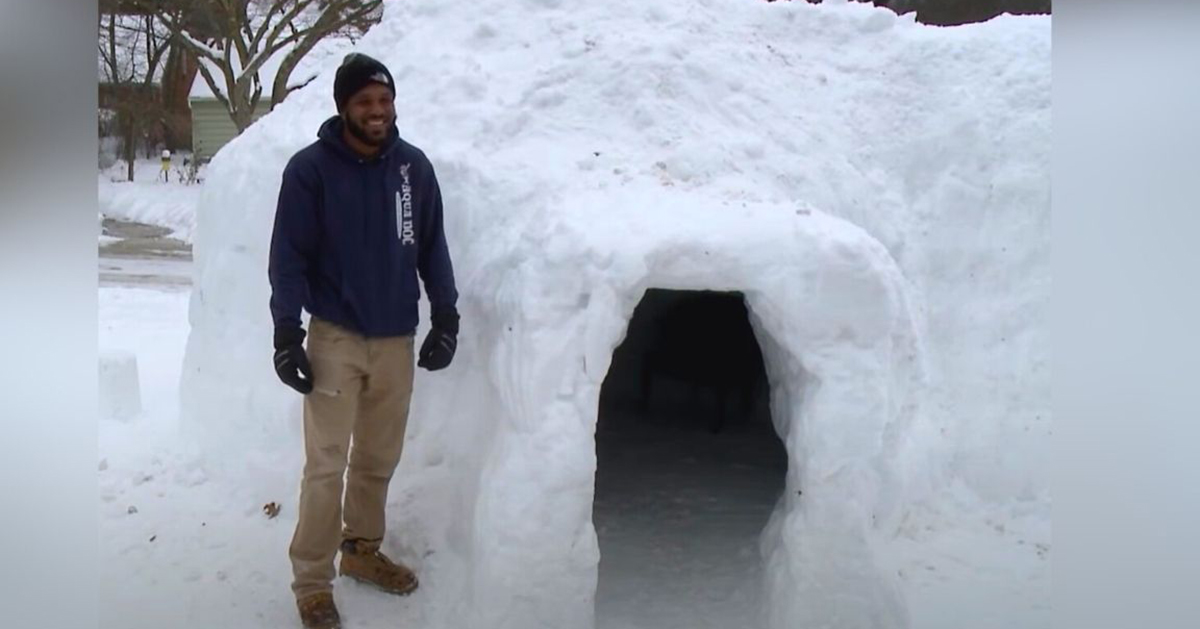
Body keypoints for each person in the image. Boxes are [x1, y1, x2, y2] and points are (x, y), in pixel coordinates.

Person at [268, 52, 460, 629]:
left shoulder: (413, 170)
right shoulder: (310, 171)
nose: (377, 111)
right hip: (335, 338)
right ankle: (311, 583)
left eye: (384, 99)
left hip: (396, 340)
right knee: (326, 465)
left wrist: (446, 319)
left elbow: (433, 248)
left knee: (377, 459)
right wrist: (285, 332)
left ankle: (362, 552)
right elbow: (289, 258)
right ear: (344, 107)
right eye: (364, 102)